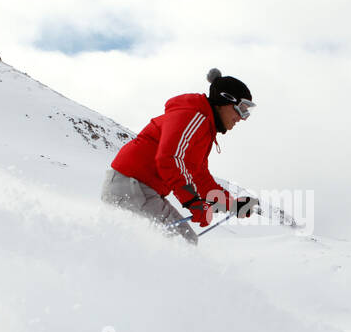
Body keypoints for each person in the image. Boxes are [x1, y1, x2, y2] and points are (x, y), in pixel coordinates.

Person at [101, 68, 258, 244]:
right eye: (242, 109)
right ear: (225, 99)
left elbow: (200, 177)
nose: (242, 118)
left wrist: (233, 204)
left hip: (138, 189)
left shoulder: (204, 128)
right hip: (131, 187)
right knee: (182, 243)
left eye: (247, 112)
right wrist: (194, 203)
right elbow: (169, 159)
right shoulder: (193, 116)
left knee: (176, 243)